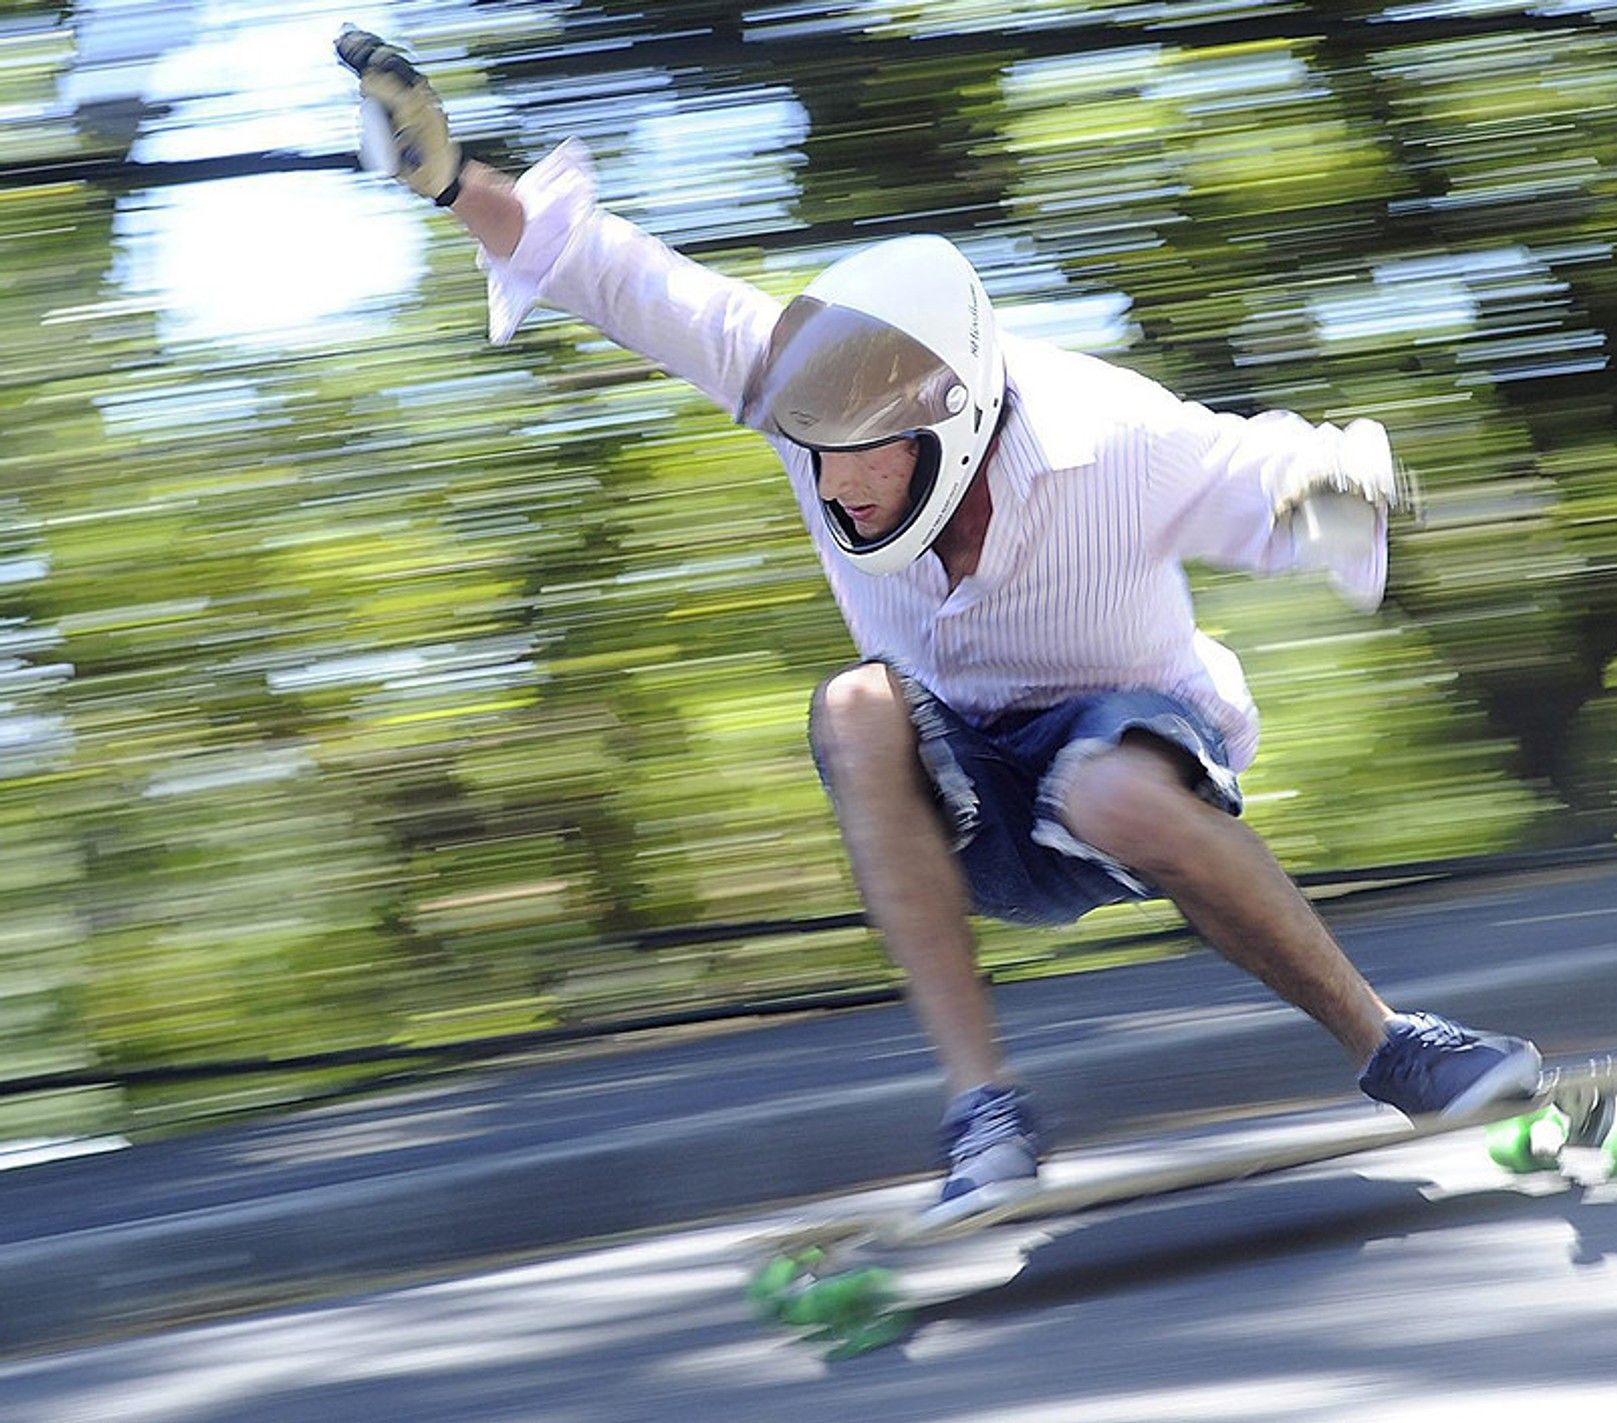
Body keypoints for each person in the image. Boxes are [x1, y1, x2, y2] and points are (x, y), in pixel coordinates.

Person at [337, 30, 1543, 1215]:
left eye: (867, 461)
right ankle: (983, 1114)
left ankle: (1394, 1047)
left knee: (1107, 790)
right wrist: (451, 181)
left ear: (955, 426)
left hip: (1137, 756)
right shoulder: (798, 376)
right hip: (963, 781)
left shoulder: (1104, 436)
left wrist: (1338, 485)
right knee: (854, 705)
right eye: (815, 458)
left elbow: (1264, 465)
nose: (836, 486)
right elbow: (620, 275)